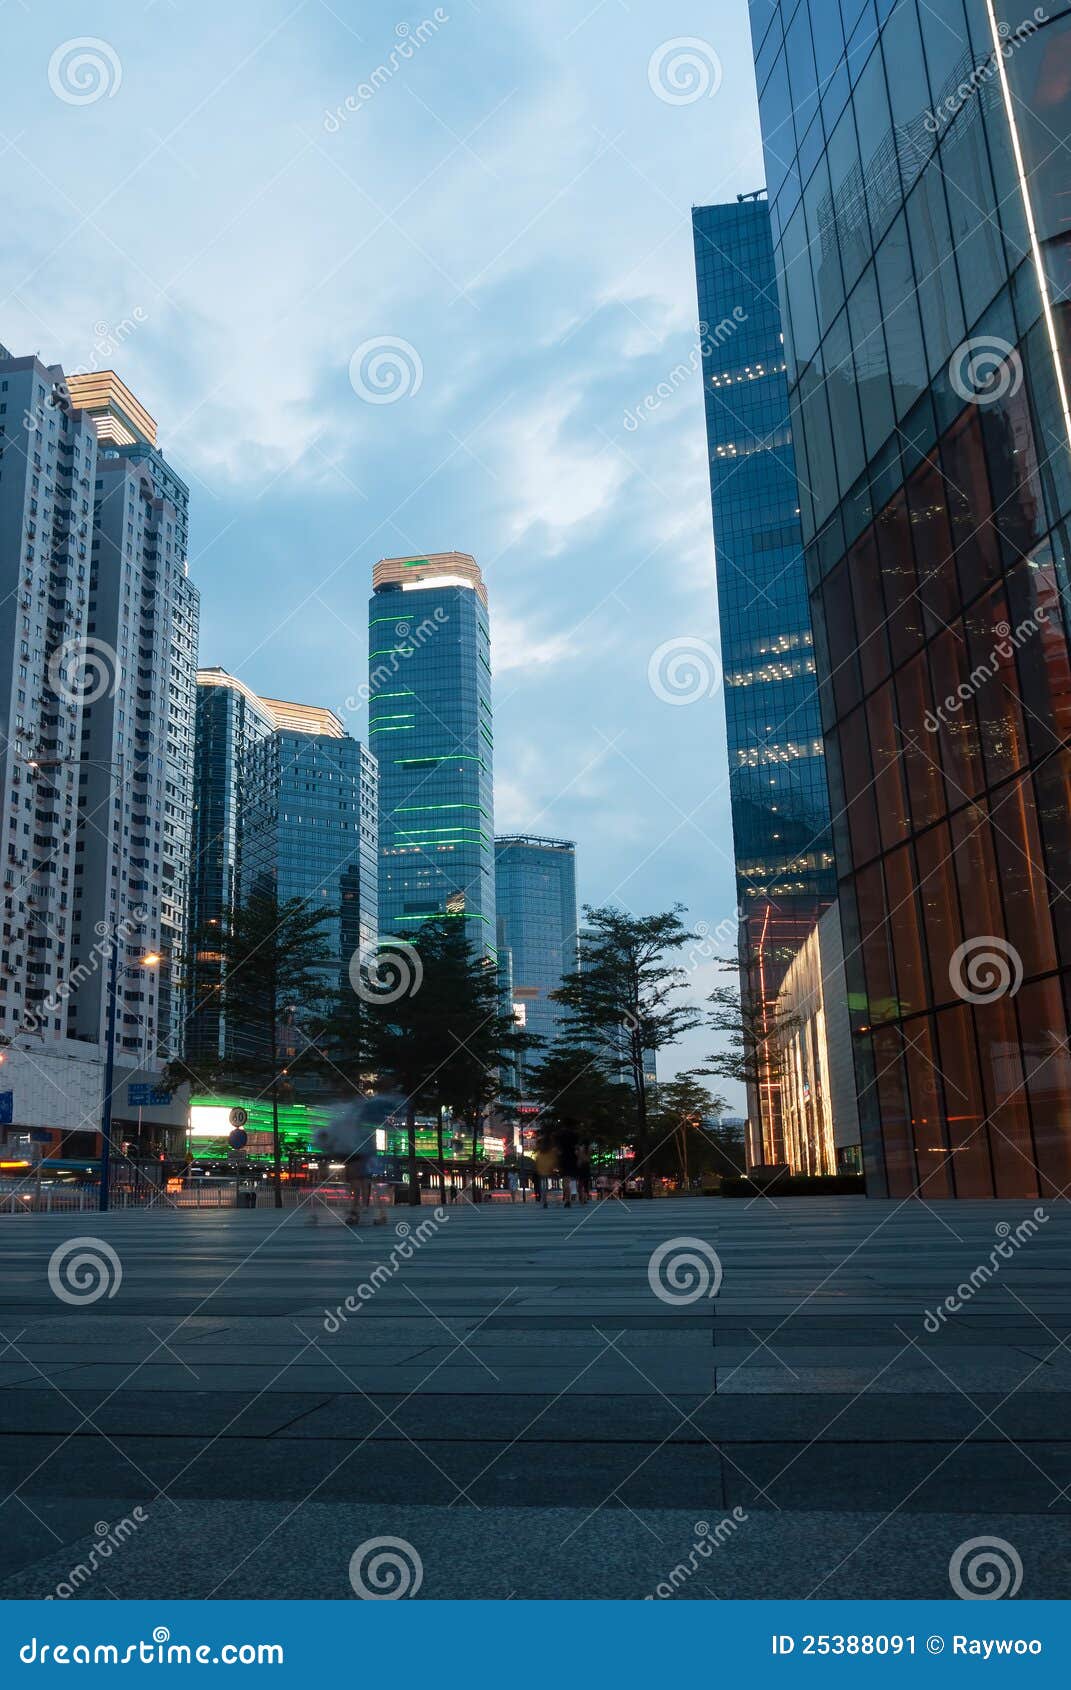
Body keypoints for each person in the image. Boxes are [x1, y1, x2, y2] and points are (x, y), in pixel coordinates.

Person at [556, 1130, 580, 1209]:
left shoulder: (562, 1145)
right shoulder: (574, 1145)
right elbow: (577, 1152)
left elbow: (558, 1153)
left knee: (565, 1182)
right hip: (571, 1163)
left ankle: (567, 1199)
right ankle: (569, 1199)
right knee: (570, 1181)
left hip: (564, 1163)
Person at [533, 1140, 557, 1208]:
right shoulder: (544, 1154)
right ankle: (544, 1200)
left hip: (542, 1172)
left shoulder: (539, 1154)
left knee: (543, 1186)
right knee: (544, 1186)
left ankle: (544, 1200)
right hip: (544, 1172)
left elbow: (537, 1163)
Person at [576, 1141, 592, 1206]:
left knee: (580, 1184)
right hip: (587, 1166)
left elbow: (578, 1156)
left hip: (581, 1166)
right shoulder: (589, 1149)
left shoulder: (580, 1149)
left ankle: (582, 1198)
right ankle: (584, 1198)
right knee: (585, 1184)